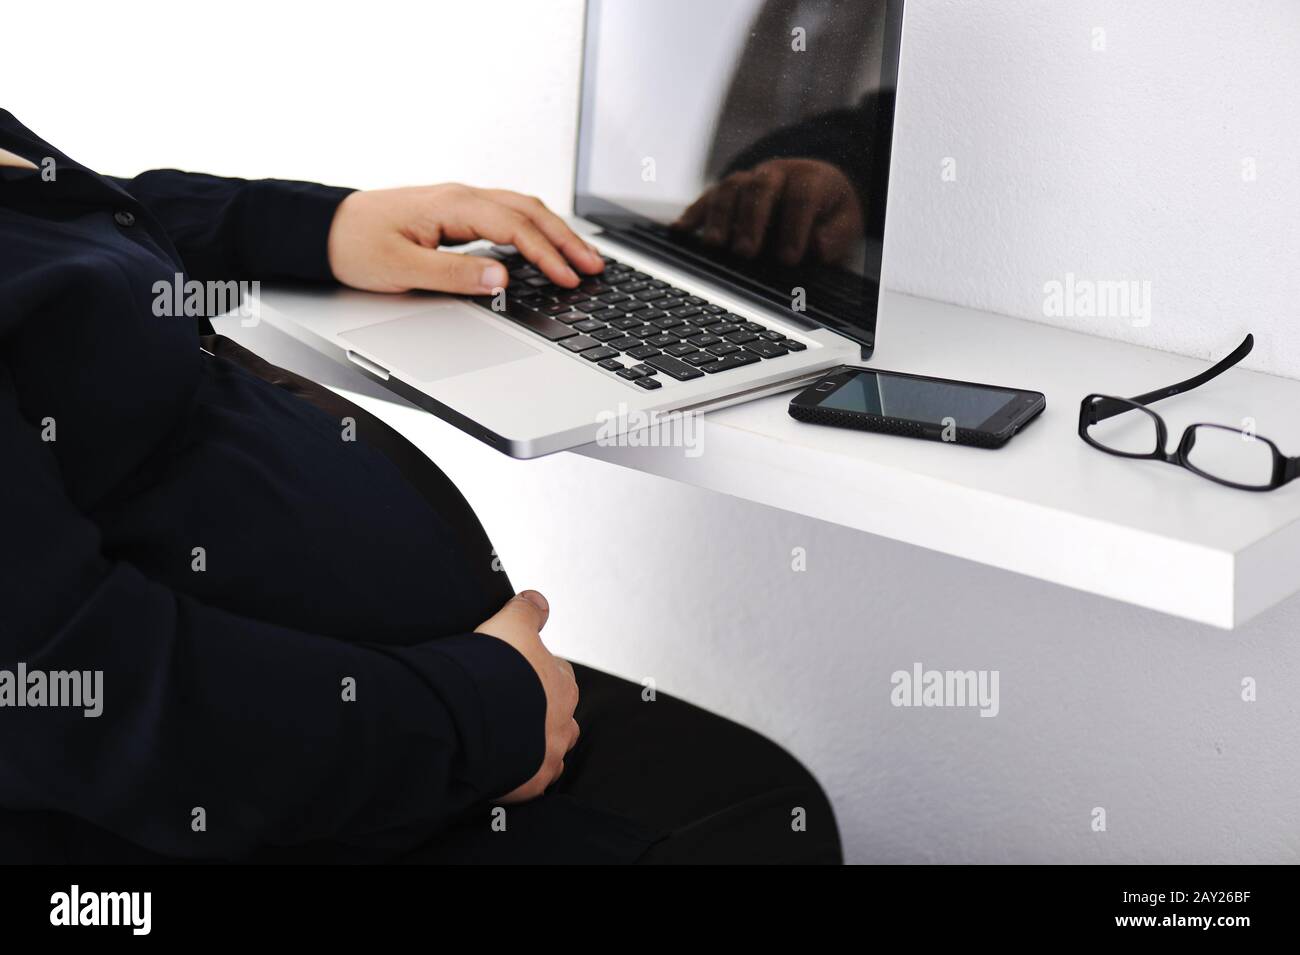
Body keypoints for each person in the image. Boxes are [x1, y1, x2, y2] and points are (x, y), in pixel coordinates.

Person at [0, 108, 841, 864]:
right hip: (217, 798)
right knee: (756, 809)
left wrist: (312, 223)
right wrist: (478, 719)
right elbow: (70, 700)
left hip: (366, 707)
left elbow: (45, 230)